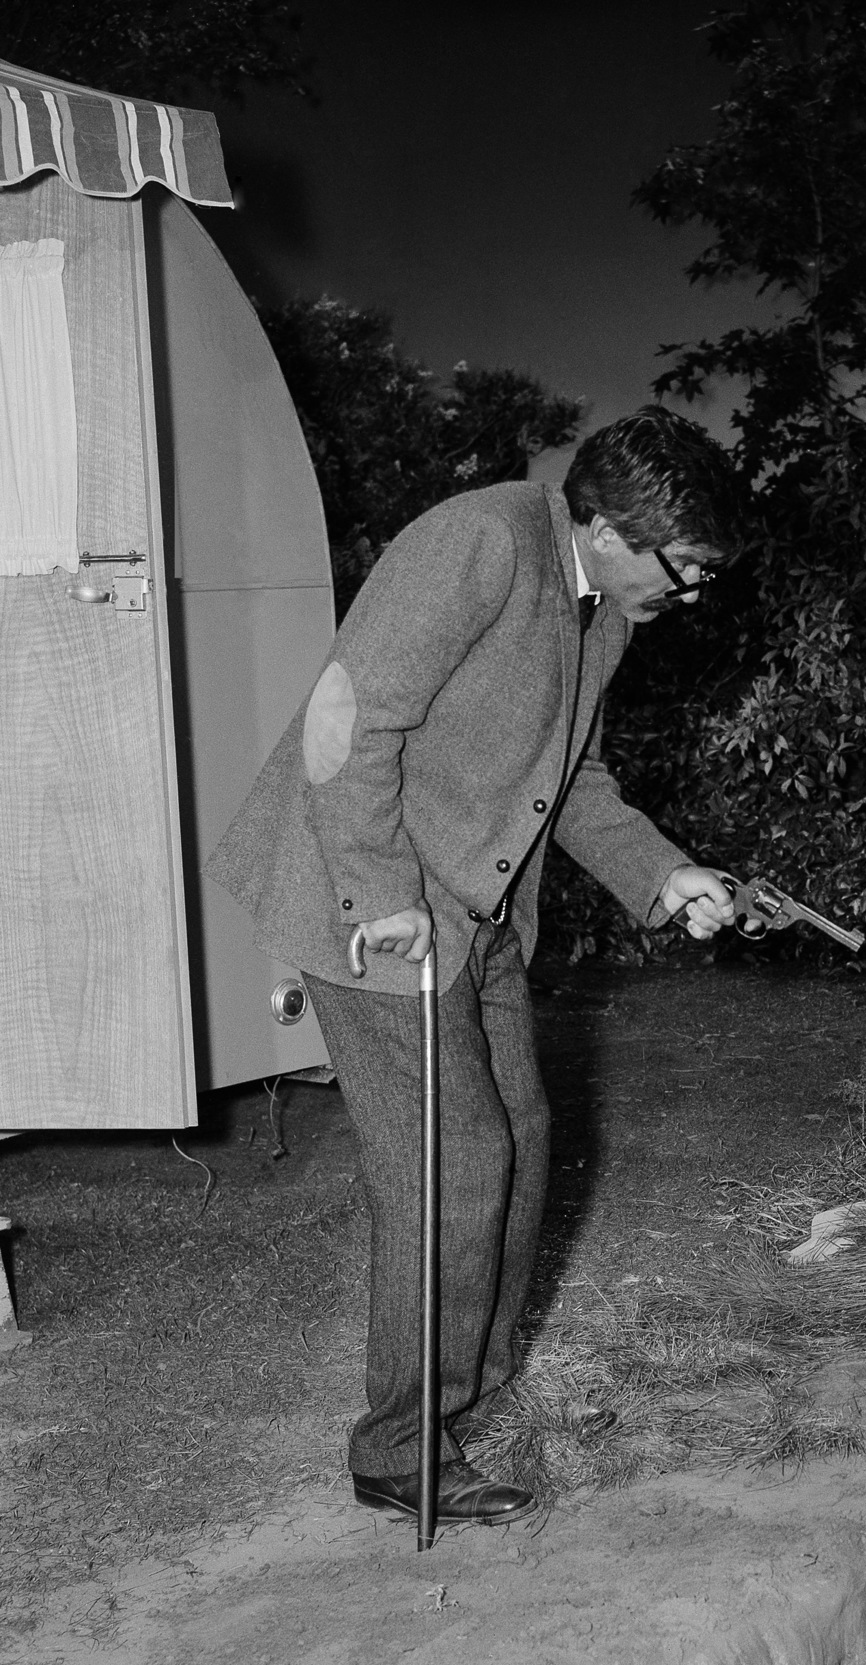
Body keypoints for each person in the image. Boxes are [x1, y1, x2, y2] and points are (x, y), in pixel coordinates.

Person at [208, 406, 751, 1528]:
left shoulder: (602, 607)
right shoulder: (480, 543)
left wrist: (665, 873)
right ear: (607, 526)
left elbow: (575, 779)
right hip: (374, 897)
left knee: (523, 1135)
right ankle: (398, 1447)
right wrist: (384, 901)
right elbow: (346, 726)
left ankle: (475, 1396)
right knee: (453, 1161)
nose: (690, 594)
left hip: (480, 901)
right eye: (685, 569)